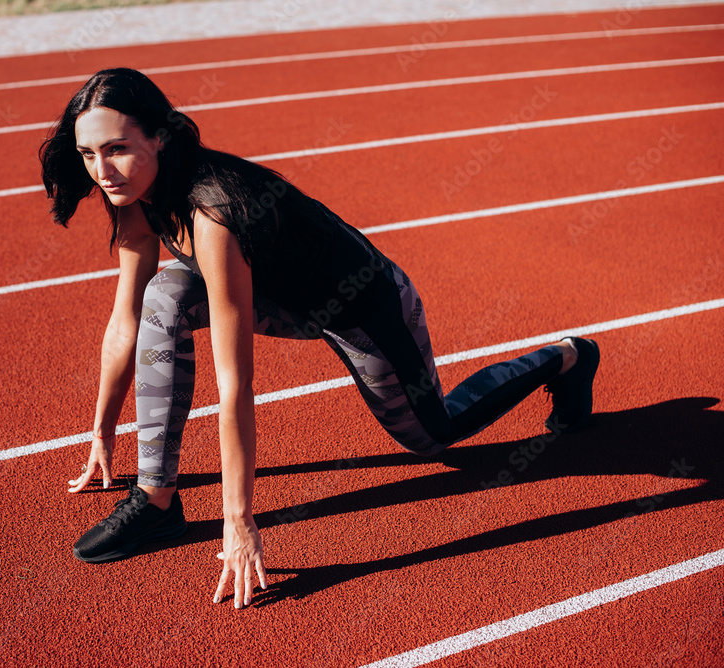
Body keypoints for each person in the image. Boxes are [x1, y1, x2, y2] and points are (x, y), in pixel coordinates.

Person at [38, 68, 600, 609]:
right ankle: (157, 497)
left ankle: (568, 357)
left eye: (116, 149)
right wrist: (102, 434)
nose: (102, 170)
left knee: (433, 437)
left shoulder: (212, 215)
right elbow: (126, 321)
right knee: (163, 295)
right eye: (88, 154)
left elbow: (235, 385)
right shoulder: (134, 199)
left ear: (159, 137)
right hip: (279, 297)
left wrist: (240, 521)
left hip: (367, 305)